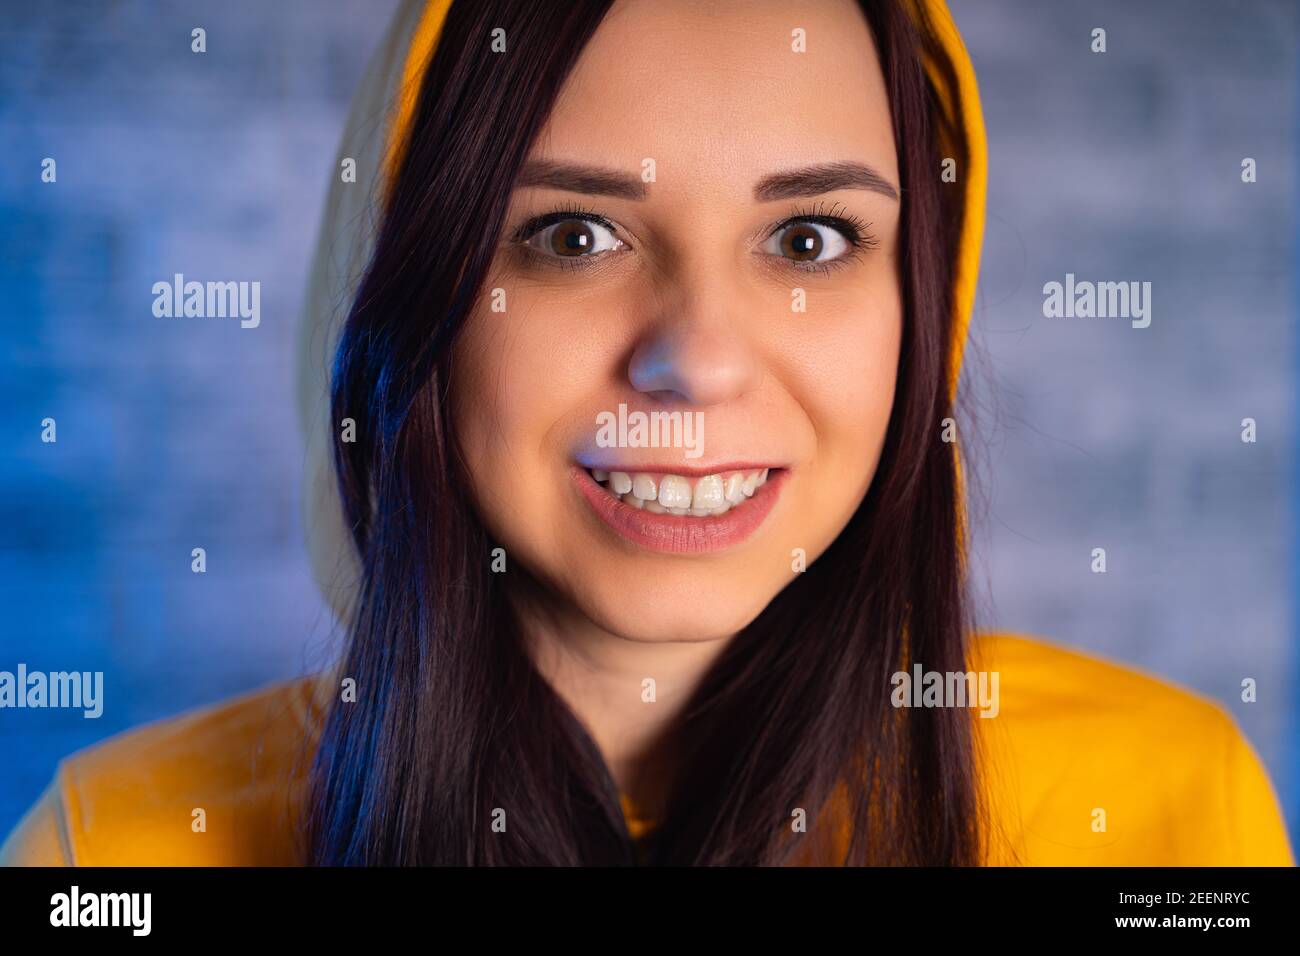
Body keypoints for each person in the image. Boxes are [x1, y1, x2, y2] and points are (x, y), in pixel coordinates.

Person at [3, 0, 1293, 866]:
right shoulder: (112, 845)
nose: (698, 358)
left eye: (810, 239)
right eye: (573, 237)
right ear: (416, 292)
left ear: (925, 307)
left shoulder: (1168, 812)